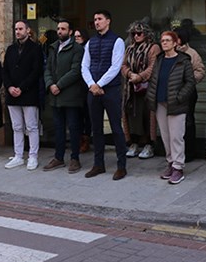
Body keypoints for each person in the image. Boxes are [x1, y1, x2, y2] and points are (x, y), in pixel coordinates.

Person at [82, 10, 128, 180]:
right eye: (95, 19)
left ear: (108, 21)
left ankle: (121, 166)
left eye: (100, 19)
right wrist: (91, 85)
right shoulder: (90, 42)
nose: (97, 22)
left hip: (111, 91)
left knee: (116, 128)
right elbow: (84, 66)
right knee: (96, 129)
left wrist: (99, 84)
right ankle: (98, 164)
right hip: (93, 90)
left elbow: (115, 67)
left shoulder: (117, 41)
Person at [147, 30, 196, 184]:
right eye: (162, 40)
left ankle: (178, 167)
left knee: (176, 137)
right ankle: (170, 163)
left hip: (176, 104)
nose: (165, 43)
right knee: (166, 137)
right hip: (160, 103)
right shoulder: (159, 60)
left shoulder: (183, 60)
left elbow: (190, 82)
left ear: (175, 43)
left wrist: (179, 97)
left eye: (168, 40)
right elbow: (154, 79)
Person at [42, 19, 85, 173]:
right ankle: (58, 157)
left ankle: (75, 158)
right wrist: (50, 84)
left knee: (73, 128)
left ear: (70, 31)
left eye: (63, 29)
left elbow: (75, 71)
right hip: (55, 97)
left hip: (71, 96)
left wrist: (58, 85)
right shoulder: (53, 48)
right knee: (58, 129)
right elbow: (47, 69)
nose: (60, 31)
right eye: (58, 28)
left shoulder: (77, 49)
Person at [2, 20, 43, 170]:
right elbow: (5, 70)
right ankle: (18, 155)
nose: (17, 31)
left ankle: (33, 156)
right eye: (16, 29)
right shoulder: (11, 49)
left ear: (28, 30)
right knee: (17, 127)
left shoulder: (35, 48)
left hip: (28, 93)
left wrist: (22, 87)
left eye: (20, 29)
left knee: (31, 127)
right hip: (12, 94)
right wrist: (9, 87)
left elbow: (36, 71)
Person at [121, 21, 161, 160]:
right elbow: (123, 65)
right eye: (133, 34)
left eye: (139, 33)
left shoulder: (153, 48)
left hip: (147, 88)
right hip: (131, 89)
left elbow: (153, 66)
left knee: (147, 116)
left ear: (146, 34)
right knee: (132, 116)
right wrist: (130, 75)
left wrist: (140, 76)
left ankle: (149, 145)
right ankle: (133, 143)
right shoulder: (129, 48)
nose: (136, 36)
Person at [175, 26, 206, 162]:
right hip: (172, 93)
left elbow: (200, 71)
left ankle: (189, 152)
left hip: (188, 92)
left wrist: (187, 79)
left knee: (188, 122)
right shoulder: (170, 53)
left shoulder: (192, 53)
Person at [74, 27, 91, 153]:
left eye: (79, 36)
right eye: (75, 37)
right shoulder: (73, 50)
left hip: (87, 86)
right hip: (75, 87)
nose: (77, 39)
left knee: (87, 115)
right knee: (77, 116)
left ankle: (86, 140)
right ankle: (78, 139)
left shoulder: (88, 49)